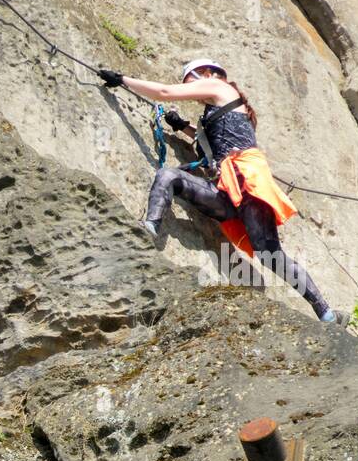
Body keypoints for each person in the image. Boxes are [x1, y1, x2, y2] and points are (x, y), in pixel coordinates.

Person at [98, 59, 340, 324]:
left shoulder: (218, 86)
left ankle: (324, 311)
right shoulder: (219, 107)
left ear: (207, 74)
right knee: (168, 175)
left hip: (245, 182)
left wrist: (122, 79)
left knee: (270, 253)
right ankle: (149, 228)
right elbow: (216, 144)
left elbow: (164, 93)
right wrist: (183, 127)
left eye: (188, 80)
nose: (186, 87)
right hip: (225, 191)